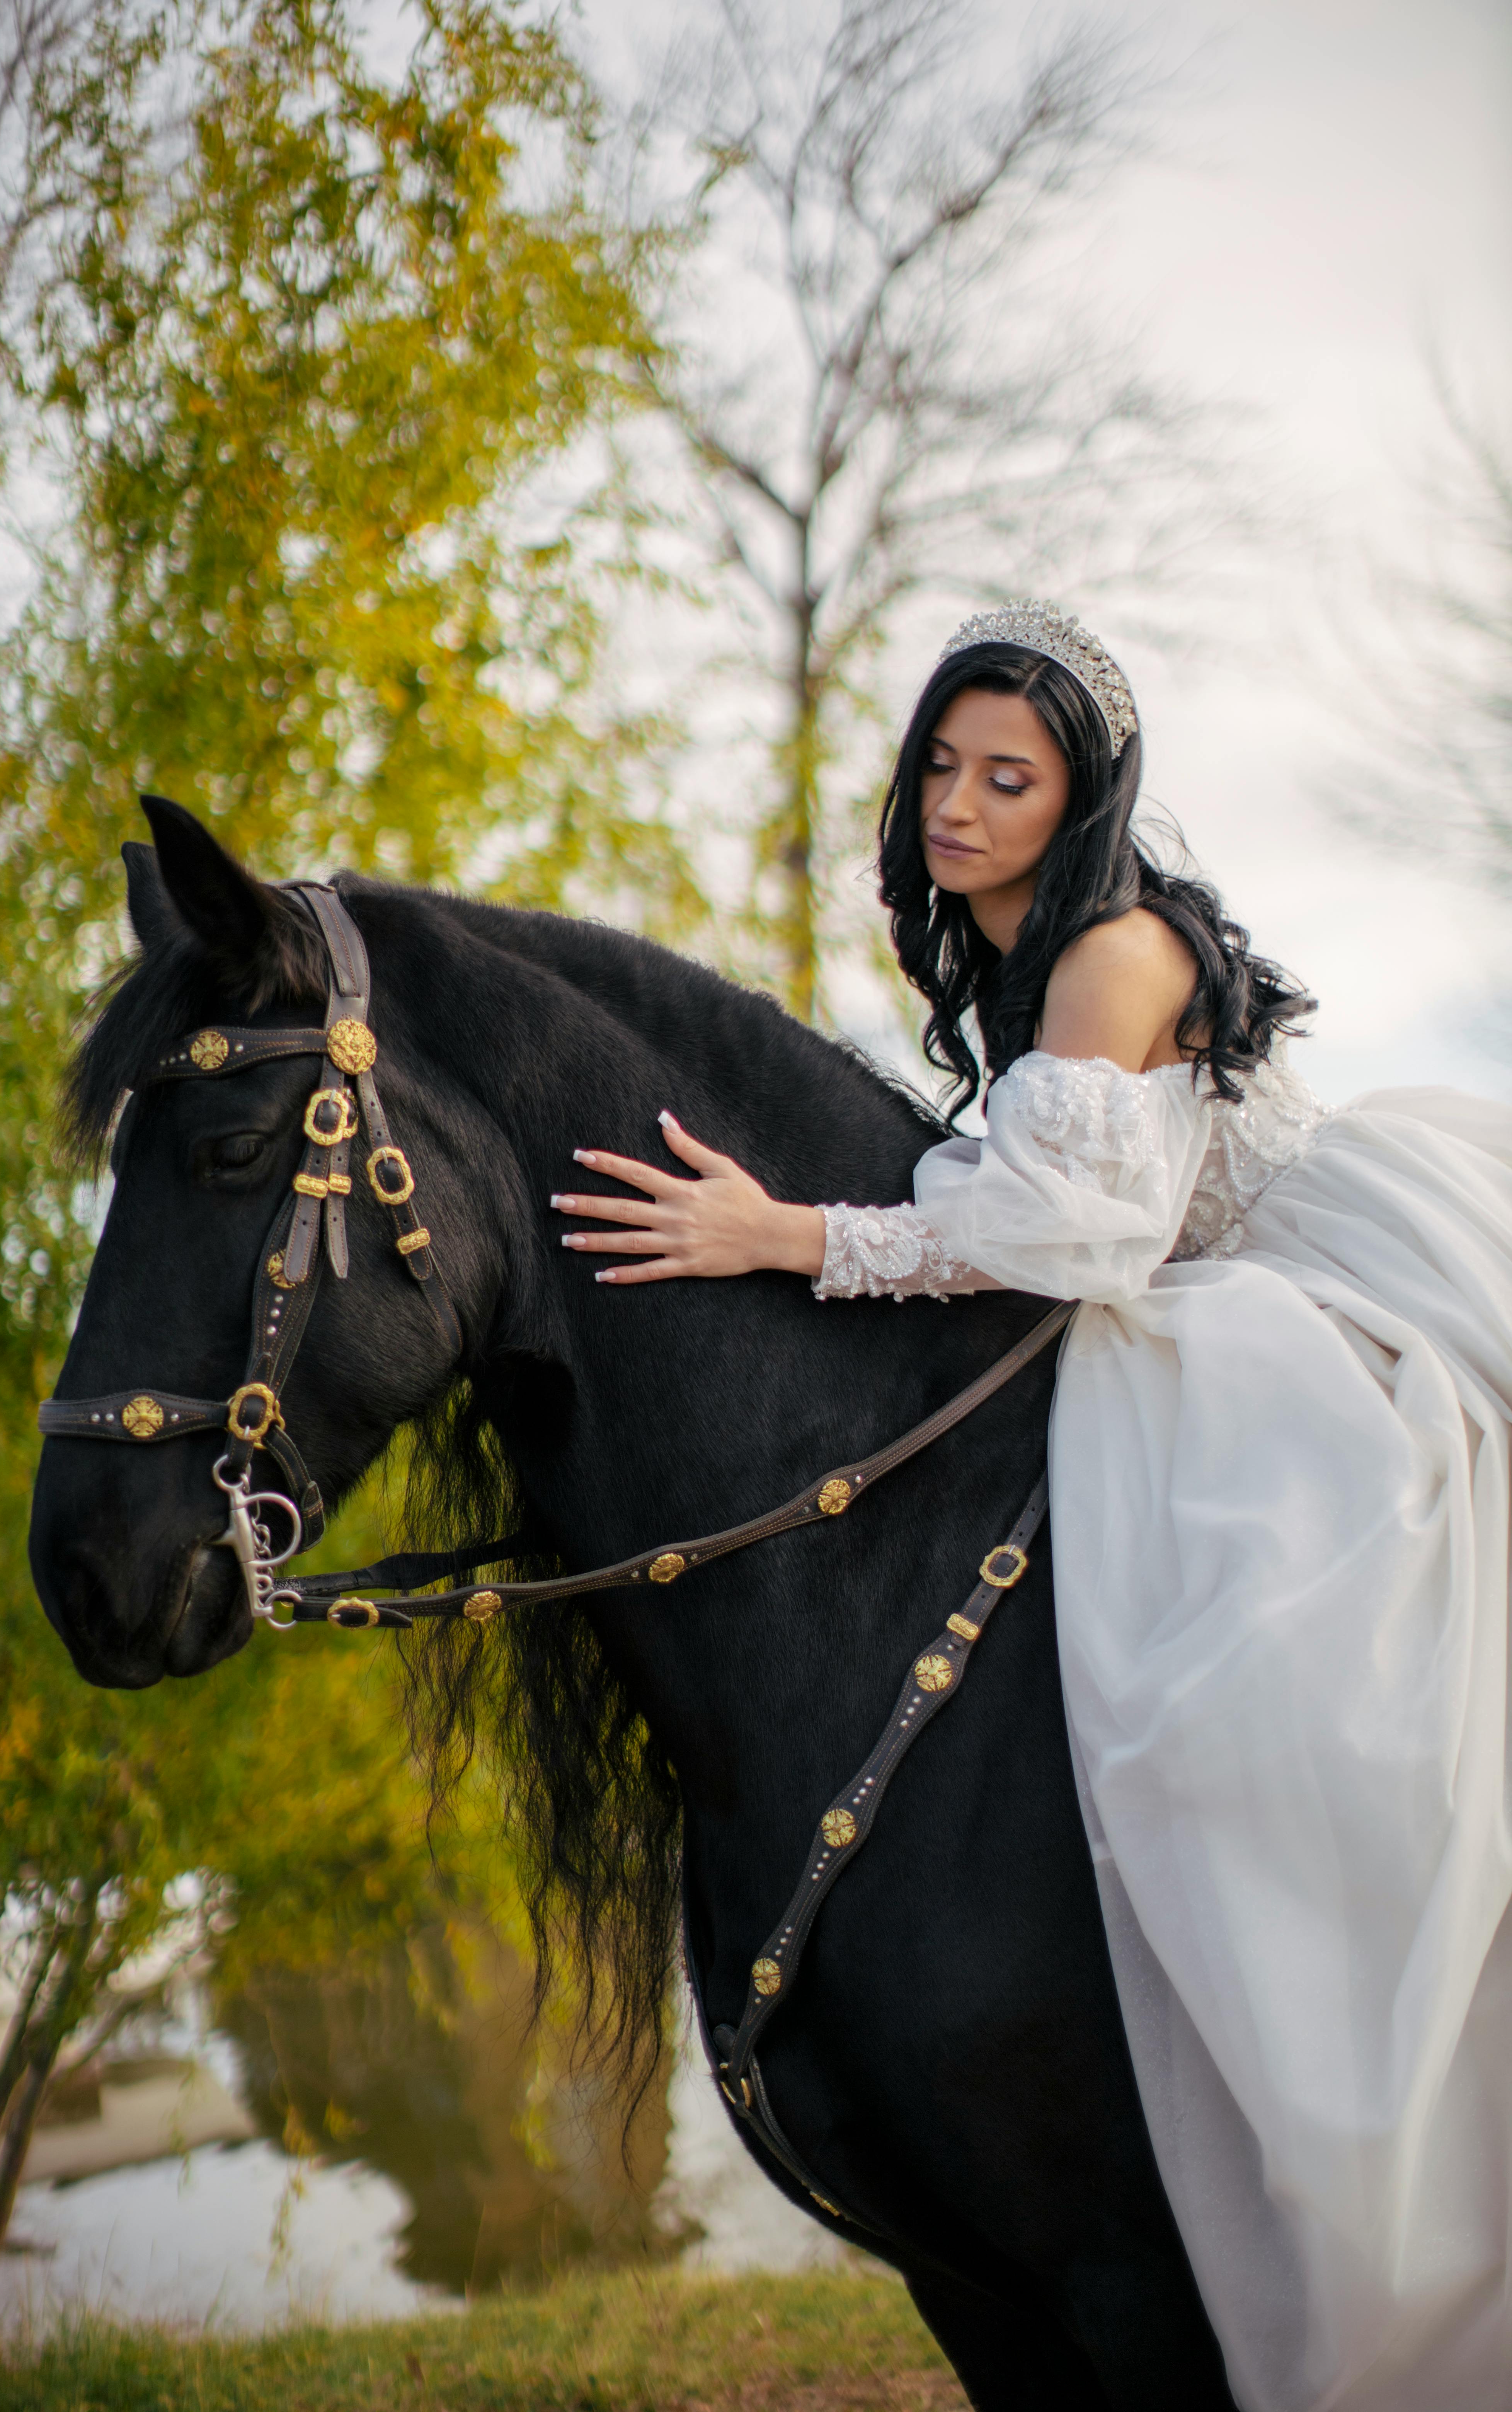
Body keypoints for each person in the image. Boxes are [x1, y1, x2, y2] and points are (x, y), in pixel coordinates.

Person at [551, 601, 1512, 2411]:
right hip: (1162, 1318)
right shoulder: (1005, 967)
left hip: (1268, 1321)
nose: (962, 805)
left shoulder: (1108, 953)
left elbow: (1081, 1236)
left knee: (1269, 1679)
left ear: (1079, 803)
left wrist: (779, 1235)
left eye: (1012, 777)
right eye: (942, 766)